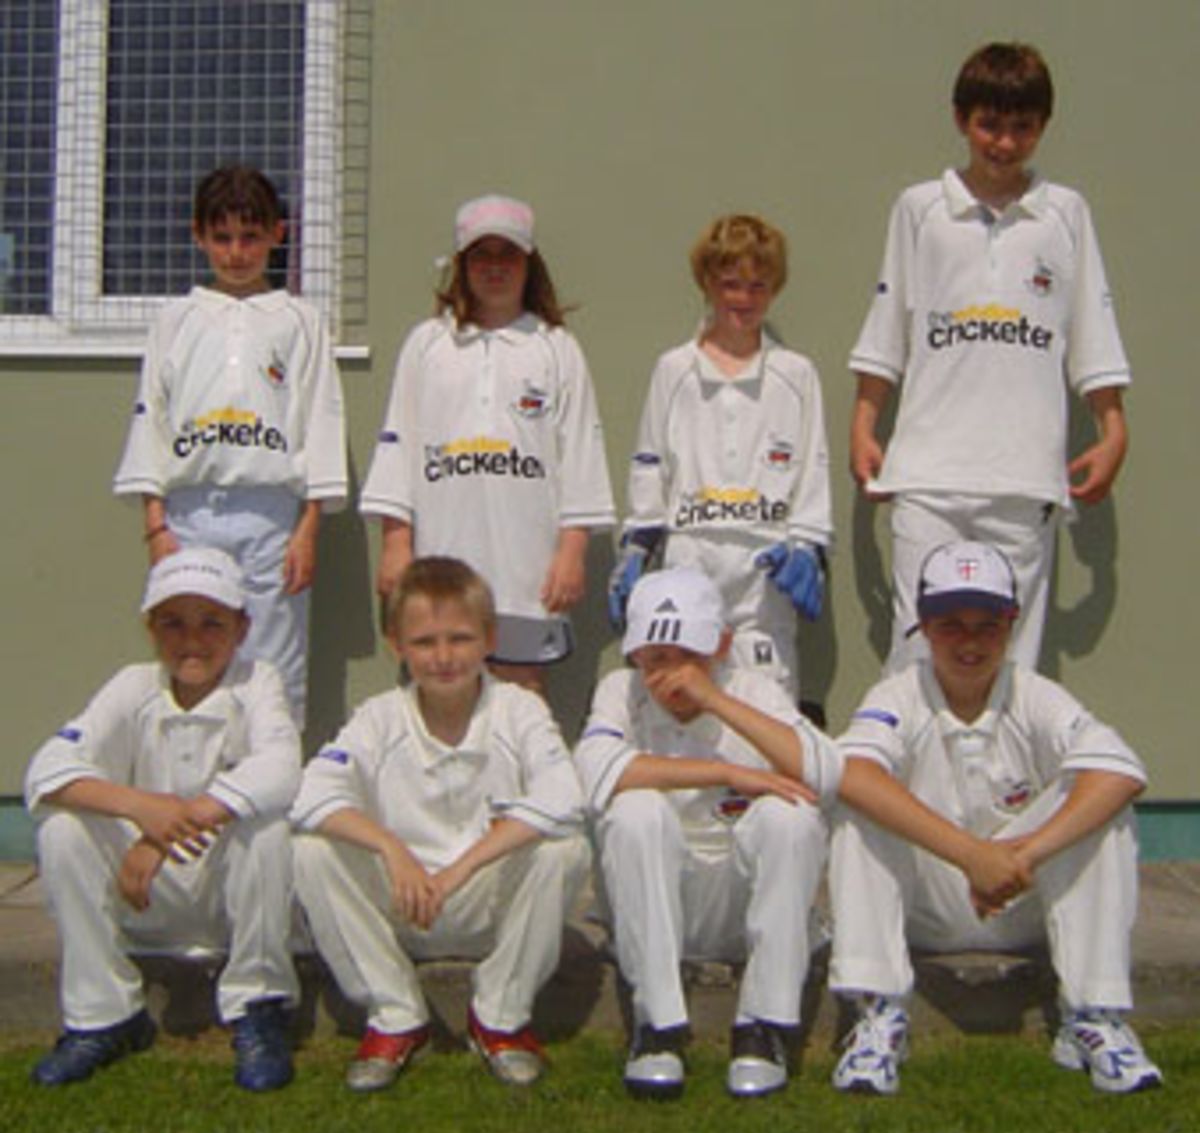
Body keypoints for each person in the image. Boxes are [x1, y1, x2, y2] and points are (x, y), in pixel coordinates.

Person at [829, 541, 1162, 1096]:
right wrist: (971, 855)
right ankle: (878, 1013)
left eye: (988, 625)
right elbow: (853, 772)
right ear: (925, 627)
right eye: (951, 624)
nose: (970, 642)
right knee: (859, 807)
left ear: (1011, 625)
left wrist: (1019, 855)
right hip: (929, 905)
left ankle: (1093, 1016)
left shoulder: (1036, 694)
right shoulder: (898, 692)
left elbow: (1123, 771)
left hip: (1020, 894)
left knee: (1101, 799)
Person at [848, 43, 1130, 672]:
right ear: (960, 119)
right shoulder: (920, 210)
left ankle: (1007, 776)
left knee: (1010, 659)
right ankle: (906, 774)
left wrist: (1113, 429)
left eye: (1022, 127)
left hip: (1022, 473)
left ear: (1043, 127)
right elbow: (888, 326)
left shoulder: (1066, 215)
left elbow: (1093, 331)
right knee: (916, 651)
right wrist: (865, 425)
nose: (1004, 142)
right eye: (990, 125)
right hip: (927, 471)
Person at [290, 556, 590, 1092]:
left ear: (489, 639)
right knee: (312, 849)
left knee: (562, 848)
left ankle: (500, 1017)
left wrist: (458, 870)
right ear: (396, 645)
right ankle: (395, 1015)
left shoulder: (518, 709)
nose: (444, 657)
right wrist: (389, 846)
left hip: (482, 897)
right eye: (425, 642)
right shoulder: (379, 715)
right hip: (404, 900)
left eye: (460, 638)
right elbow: (311, 793)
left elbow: (564, 794)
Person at [25, 547, 301, 1091]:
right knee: (62, 829)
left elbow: (281, 767)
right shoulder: (133, 684)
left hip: (223, 894)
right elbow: (48, 768)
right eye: (173, 623)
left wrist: (172, 825)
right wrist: (139, 808)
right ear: (150, 628)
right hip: (146, 896)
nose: (191, 640)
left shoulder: (257, 681)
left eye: (211, 623)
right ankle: (102, 1016)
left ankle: (257, 1006)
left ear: (242, 628)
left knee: (267, 828)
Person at [576, 567, 841, 1099]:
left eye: (689, 657)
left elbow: (826, 772)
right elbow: (596, 771)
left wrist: (715, 700)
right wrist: (726, 773)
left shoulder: (754, 690)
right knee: (634, 812)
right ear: (634, 654)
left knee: (790, 816)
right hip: (660, 902)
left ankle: (762, 1025)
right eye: (655, 658)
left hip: (742, 904)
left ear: (721, 644)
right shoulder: (619, 691)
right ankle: (657, 1027)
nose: (672, 675)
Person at [113, 164, 348, 724]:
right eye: (222, 238)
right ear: (199, 236)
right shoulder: (177, 320)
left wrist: (309, 526)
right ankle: (197, 787)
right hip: (190, 513)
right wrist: (156, 525)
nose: (237, 252)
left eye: (250, 236)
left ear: (278, 234)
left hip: (272, 517)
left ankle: (270, 793)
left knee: (274, 661)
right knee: (194, 654)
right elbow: (153, 419)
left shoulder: (299, 320)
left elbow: (320, 420)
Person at [361, 194, 614, 694]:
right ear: (461, 265)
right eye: (482, 254)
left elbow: (581, 454)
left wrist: (572, 550)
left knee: (520, 695)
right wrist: (395, 543)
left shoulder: (555, 348)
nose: (495, 267)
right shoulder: (428, 344)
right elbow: (399, 445)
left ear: (528, 263)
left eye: (508, 254)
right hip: (442, 560)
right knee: (441, 687)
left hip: (526, 568)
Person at [608, 214, 833, 698]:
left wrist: (807, 548)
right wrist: (636, 548)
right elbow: (650, 463)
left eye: (758, 286)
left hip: (764, 563)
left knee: (768, 697)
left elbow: (813, 466)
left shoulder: (796, 375)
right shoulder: (674, 369)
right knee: (685, 690)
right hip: (691, 553)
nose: (743, 299)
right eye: (730, 284)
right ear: (707, 283)